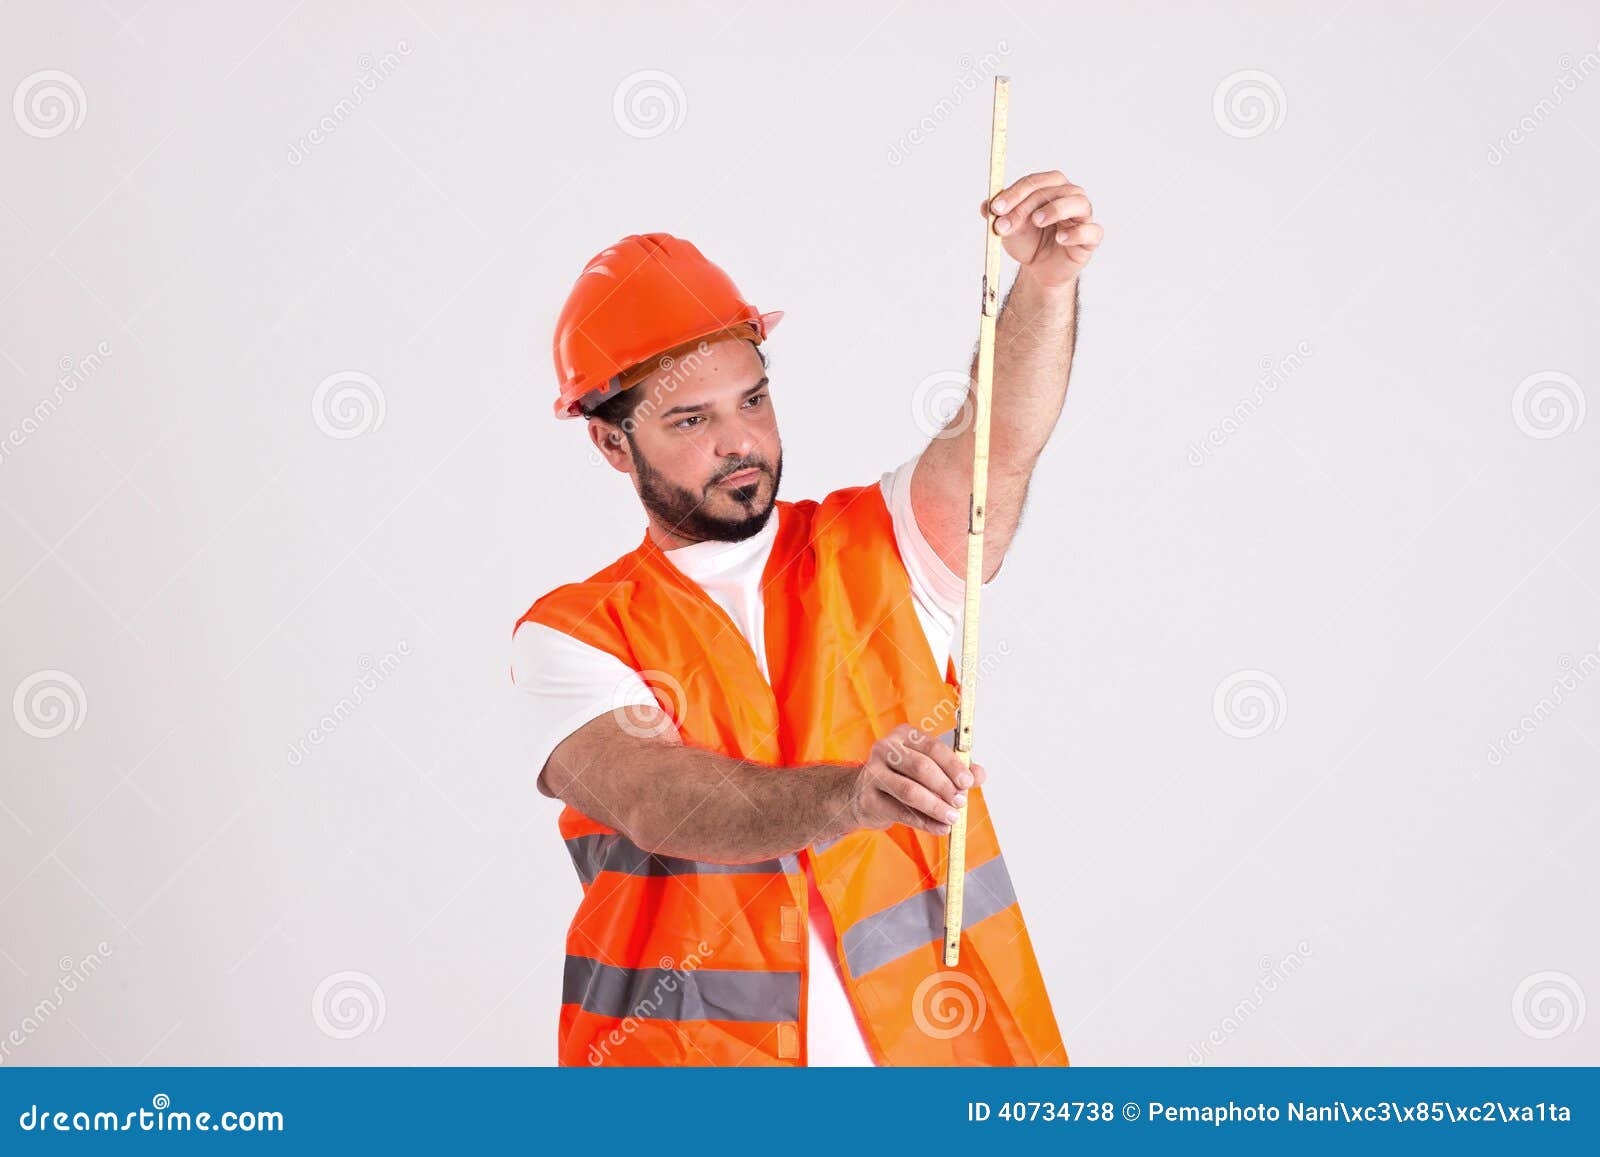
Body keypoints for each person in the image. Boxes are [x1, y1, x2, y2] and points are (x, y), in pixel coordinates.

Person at [513, 171, 1102, 1066]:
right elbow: (657, 799)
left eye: (752, 398)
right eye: (690, 418)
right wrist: (848, 795)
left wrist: (1046, 285)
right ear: (609, 440)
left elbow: (999, 443)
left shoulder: (877, 546)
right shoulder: (576, 632)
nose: (739, 440)